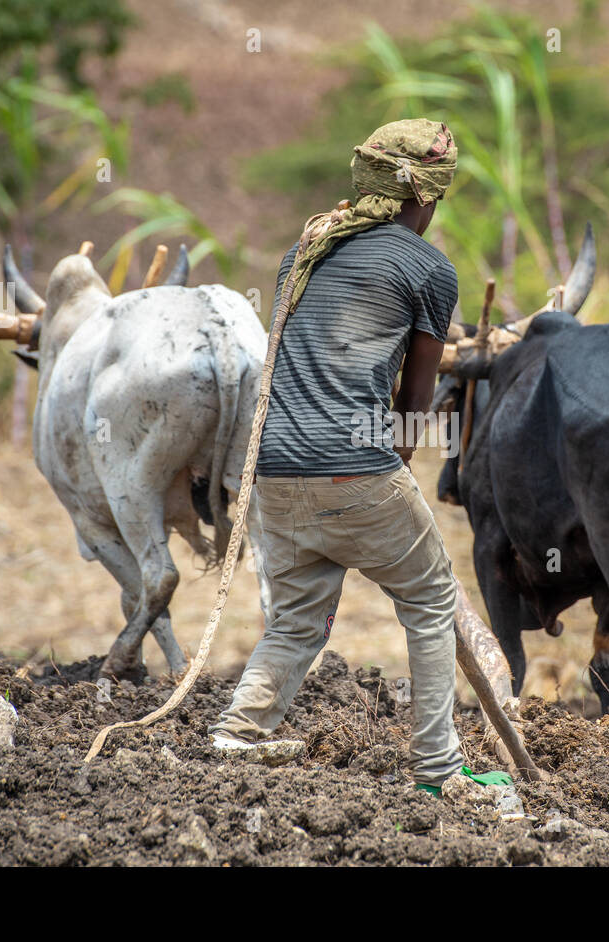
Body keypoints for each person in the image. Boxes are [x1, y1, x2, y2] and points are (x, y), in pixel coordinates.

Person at [209, 119, 508, 795]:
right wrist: (389, 477)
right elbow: (414, 400)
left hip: (274, 474)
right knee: (431, 601)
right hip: (355, 467)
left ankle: (237, 733)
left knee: (297, 622)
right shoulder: (430, 269)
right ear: (424, 197)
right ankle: (438, 771)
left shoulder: (302, 253)